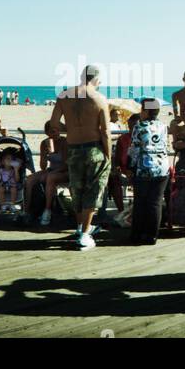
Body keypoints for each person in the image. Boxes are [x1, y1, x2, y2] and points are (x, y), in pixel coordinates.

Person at [50, 65, 111, 250]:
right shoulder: (99, 98)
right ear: (96, 79)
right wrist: (108, 155)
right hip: (94, 149)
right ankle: (85, 235)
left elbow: (53, 124)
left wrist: (71, 130)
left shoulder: (64, 96)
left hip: (73, 149)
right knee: (93, 192)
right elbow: (106, 131)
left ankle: (80, 228)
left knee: (77, 190)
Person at [127, 98, 171, 244]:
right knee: (155, 202)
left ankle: (138, 234)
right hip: (162, 167)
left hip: (144, 168)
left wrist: (130, 165)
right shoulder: (163, 126)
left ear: (146, 111)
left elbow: (134, 149)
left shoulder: (139, 126)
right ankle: (152, 236)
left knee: (140, 202)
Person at [24, 120, 70, 226]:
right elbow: (43, 166)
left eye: (56, 131)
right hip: (51, 170)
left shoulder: (64, 142)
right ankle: (26, 211)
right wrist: (46, 154)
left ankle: (47, 210)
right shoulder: (44, 143)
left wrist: (51, 172)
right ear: (47, 133)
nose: (55, 134)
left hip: (65, 171)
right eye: (52, 132)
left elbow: (66, 164)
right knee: (29, 179)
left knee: (50, 178)